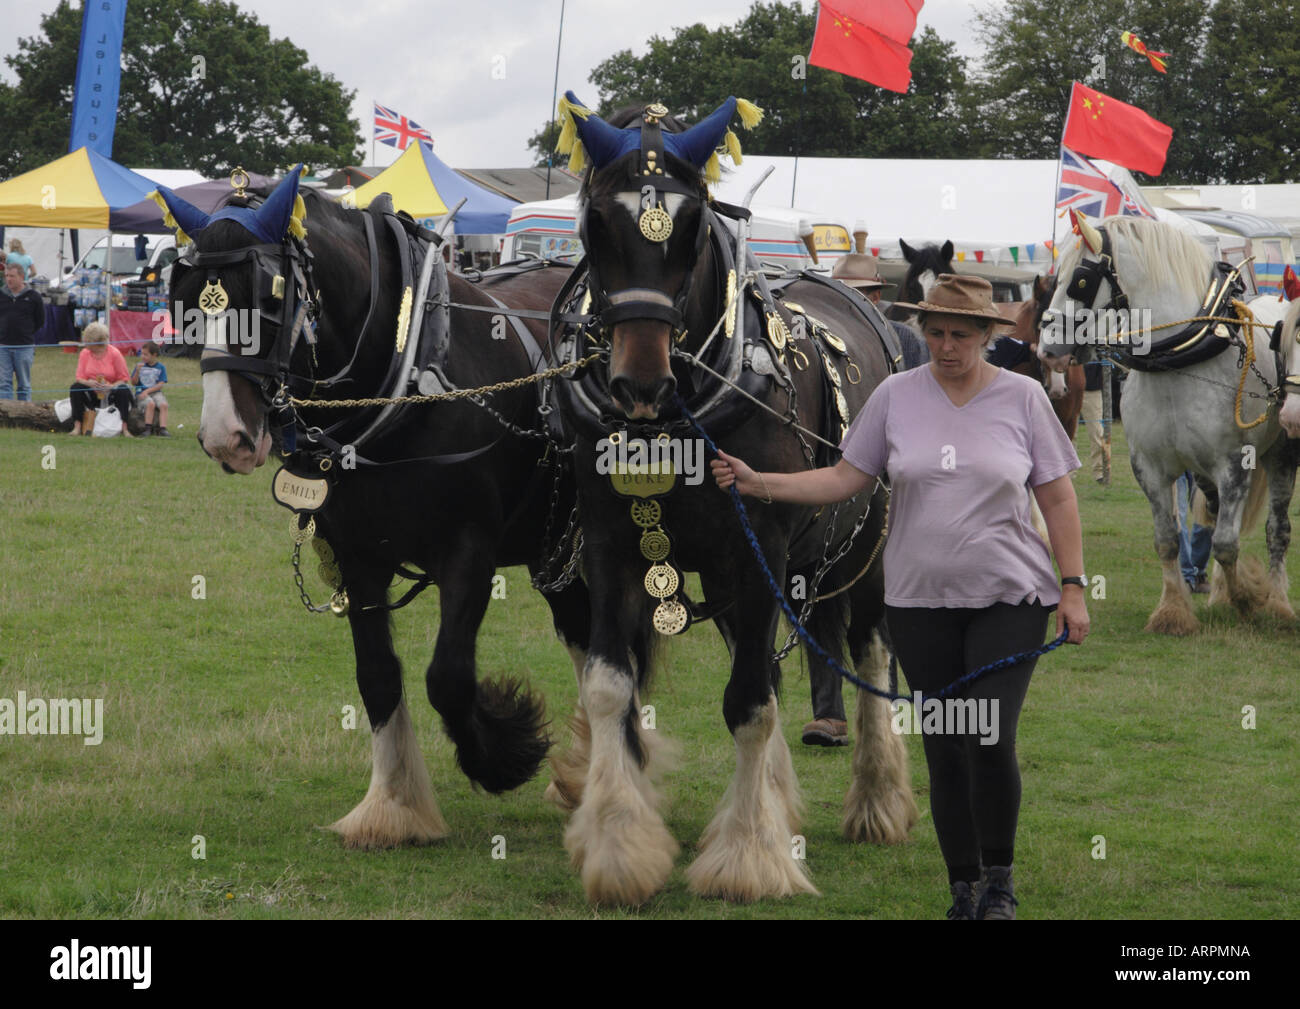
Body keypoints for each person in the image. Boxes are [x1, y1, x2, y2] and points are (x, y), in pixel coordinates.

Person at [712, 275, 1089, 920]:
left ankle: (1000, 882)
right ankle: (963, 888)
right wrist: (758, 482)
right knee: (943, 744)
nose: (947, 346)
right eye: (936, 333)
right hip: (917, 604)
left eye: (962, 335)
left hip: (1010, 598)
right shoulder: (895, 397)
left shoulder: (1024, 399)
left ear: (987, 336)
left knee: (989, 736)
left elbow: (1056, 495)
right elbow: (842, 477)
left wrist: (1074, 586)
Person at [70, 322, 134, 437]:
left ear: (96, 342)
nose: (86, 344)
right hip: (92, 392)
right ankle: (77, 426)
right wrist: (88, 383)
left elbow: (124, 379)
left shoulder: (115, 353)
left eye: (88, 342)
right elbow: (79, 378)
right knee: (75, 388)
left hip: (110, 393)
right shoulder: (85, 353)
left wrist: (111, 386)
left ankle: (125, 428)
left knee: (123, 390)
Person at [0, 261, 45, 401]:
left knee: (24, 384)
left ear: (21, 276)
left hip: (24, 346)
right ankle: (5, 415)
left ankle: (25, 414)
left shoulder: (34, 297)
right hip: (3, 346)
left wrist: (26, 332)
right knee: (3, 383)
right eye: (6, 275)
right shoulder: (1, 295)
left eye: (12, 276)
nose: (8, 279)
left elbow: (40, 320)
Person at [1177, 472, 1211, 593]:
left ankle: (1197, 571)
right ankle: (1187, 576)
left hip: (1200, 458)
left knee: (1207, 509)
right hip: (1173, 456)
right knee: (1177, 515)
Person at [131, 341, 170, 436]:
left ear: (154, 355)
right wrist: (137, 372)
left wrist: (148, 391)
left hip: (155, 392)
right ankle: (147, 428)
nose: (142, 356)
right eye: (142, 354)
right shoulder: (139, 366)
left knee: (164, 404)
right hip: (141, 392)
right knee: (150, 404)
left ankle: (163, 429)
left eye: (145, 354)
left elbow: (160, 384)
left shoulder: (161, 367)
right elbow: (133, 383)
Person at [1079, 360, 1109, 483]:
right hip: (1070, 389)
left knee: (1097, 432)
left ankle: (1100, 472)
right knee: (1068, 434)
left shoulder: (1100, 342)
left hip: (1092, 390)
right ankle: (1067, 472)